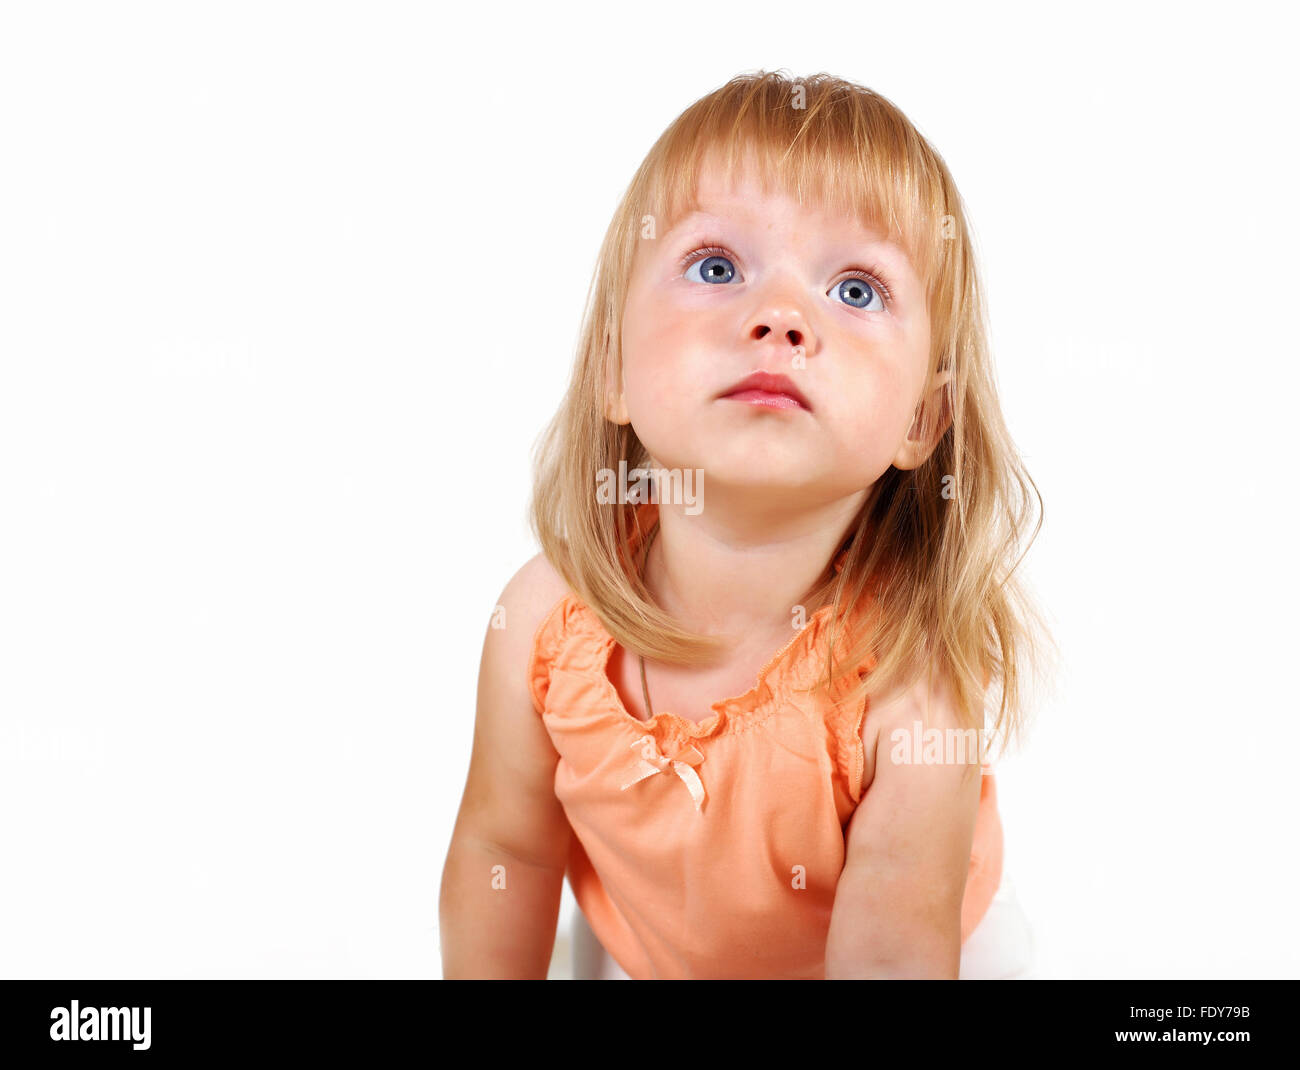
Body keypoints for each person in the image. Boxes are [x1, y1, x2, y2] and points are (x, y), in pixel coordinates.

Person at [440, 69, 1055, 980]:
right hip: (641, 947)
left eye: (855, 289)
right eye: (717, 268)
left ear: (922, 422)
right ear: (612, 368)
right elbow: (506, 853)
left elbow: (890, 953)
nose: (780, 318)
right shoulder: (541, 624)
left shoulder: (910, 687)